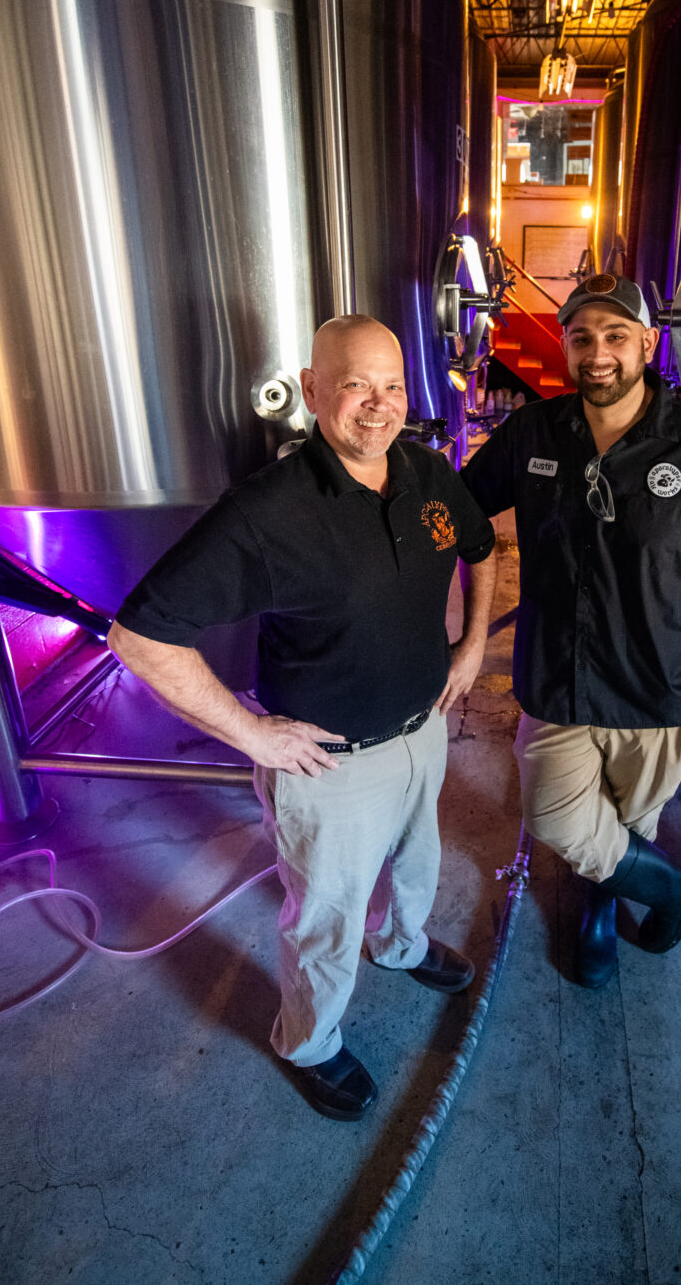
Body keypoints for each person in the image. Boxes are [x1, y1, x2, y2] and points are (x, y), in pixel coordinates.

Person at [108, 315, 497, 1119]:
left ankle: (401, 948)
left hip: (424, 731)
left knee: (417, 866)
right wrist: (252, 731)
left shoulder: (425, 472)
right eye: (356, 385)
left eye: (393, 386)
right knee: (326, 916)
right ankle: (309, 1041)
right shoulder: (267, 513)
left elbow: (481, 546)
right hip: (331, 767)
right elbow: (139, 636)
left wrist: (471, 646)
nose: (379, 405)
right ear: (314, 389)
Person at [460, 272, 681, 988]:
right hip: (557, 680)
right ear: (566, 348)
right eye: (581, 338)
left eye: (615, 337)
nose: (598, 353)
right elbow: (461, 509)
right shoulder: (534, 431)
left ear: (647, 343)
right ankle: (678, 892)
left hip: (660, 692)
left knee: (631, 828)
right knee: (557, 815)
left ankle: (599, 912)